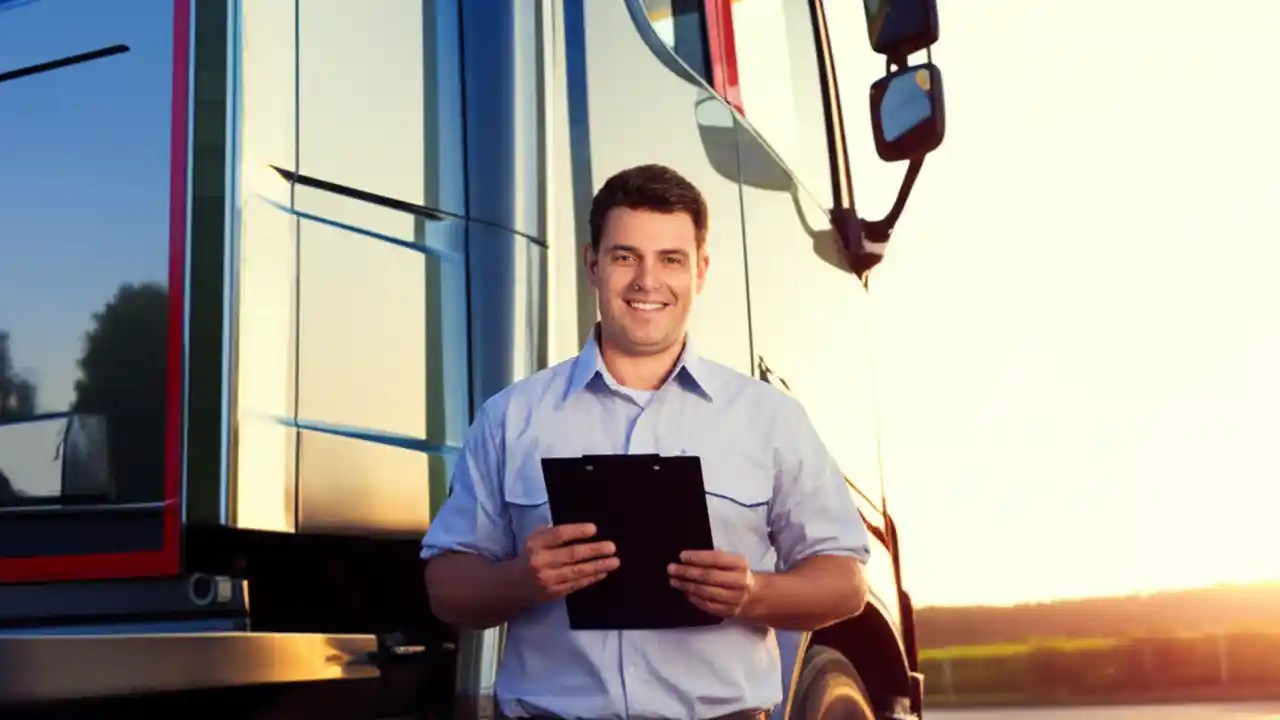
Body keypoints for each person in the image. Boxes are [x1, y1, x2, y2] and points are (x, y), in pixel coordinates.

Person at [421, 163, 871, 720]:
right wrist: (519, 580)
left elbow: (845, 584)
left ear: (701, 270)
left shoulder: (770, 419)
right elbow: (446, 587)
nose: (647, 281)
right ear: (592, 264)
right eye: (625, 256)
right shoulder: (509, 418)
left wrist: (753, 593)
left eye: (671, 259)